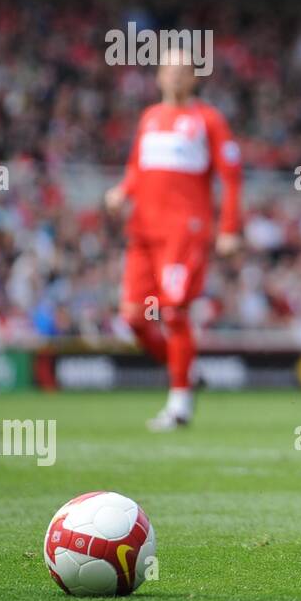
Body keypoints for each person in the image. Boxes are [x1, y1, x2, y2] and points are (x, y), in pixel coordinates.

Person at [104, 55, 243, 431]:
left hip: (184, 232)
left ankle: (179, 403)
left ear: (195, 79)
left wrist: (229, 228)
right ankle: (185, 369)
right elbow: (138, 168)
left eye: (184, 70)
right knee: (134, 317)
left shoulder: (208, 120)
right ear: (159, 76)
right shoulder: (149, 117)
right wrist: (122, 190)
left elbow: (231, 177)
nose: (176, 76)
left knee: (173, 312)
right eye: (169, 69)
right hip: (143, 232)